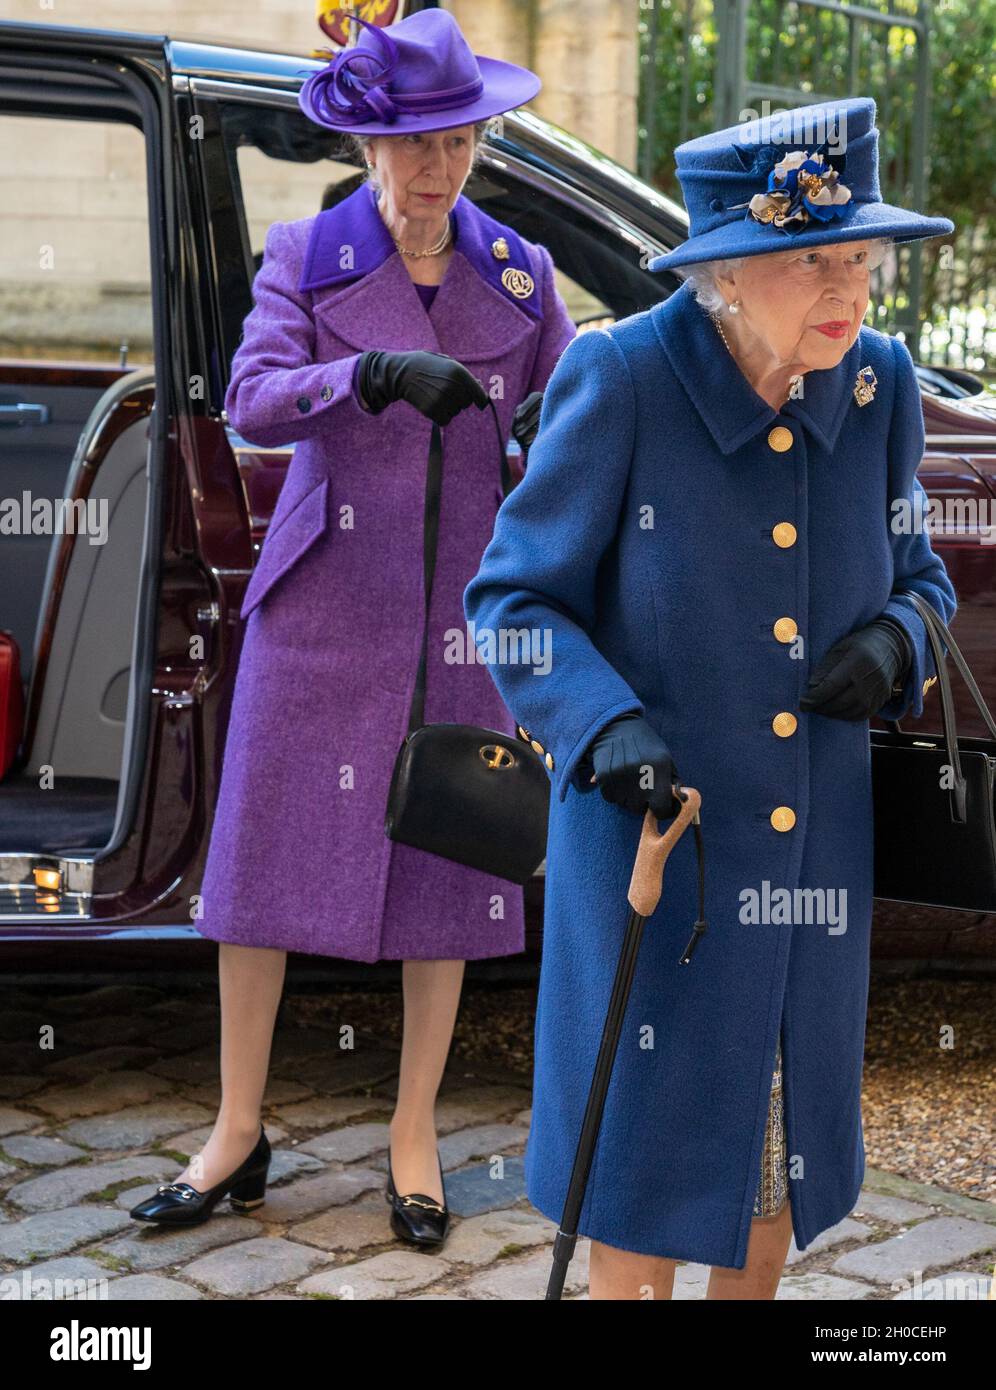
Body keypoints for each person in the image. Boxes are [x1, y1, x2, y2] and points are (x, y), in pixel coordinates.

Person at [464, 95, 957, 1299]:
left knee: (774, 1171)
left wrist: (897, 642)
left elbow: (925, 576)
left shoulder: (879, 385)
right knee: (638, 1168)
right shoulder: (623, 378)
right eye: (811, 261)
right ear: (727, 276)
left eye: (862, 257)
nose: (850, 289)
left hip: (810, 877)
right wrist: (608, 727)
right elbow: (512, 602)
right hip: (661, 857)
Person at [130, 9, 575, 1249]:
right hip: (321, 610)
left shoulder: (523, 276)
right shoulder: (303, 257)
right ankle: (235, 1128)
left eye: (458, 140)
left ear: (480, 139)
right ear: (369, 146)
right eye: (412, 145)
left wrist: (543, 452)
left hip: (456, 622)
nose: (434, 171)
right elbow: (256, 400)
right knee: (259, 879)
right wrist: (363, 377)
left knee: (448, 868)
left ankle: (414, 1134)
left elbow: (580, 410)